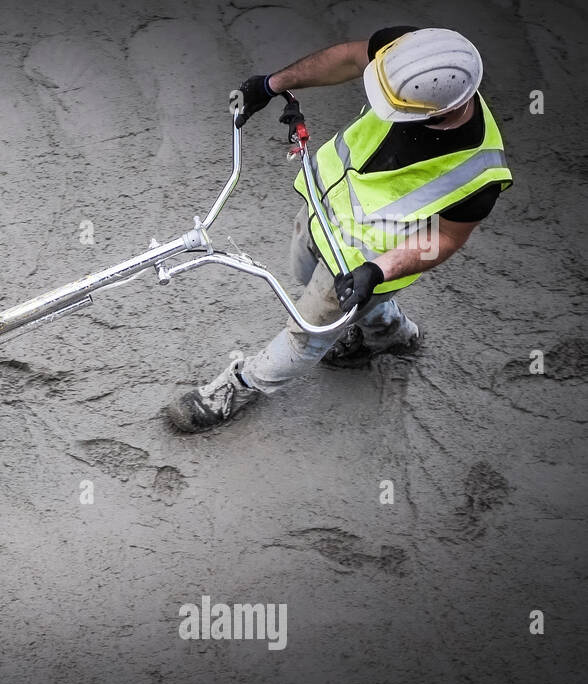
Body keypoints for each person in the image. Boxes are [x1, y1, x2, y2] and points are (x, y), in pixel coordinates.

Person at [166, 26, 513, 433]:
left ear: (435, 111)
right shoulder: (411, 58)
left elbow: (447, 238)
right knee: (299, 270)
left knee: (308, 332)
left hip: (361, 259)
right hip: (322, 204)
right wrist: (272, 84)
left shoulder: (478, 174)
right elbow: (349, 57)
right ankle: (390, 332)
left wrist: (378, 273)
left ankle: (236, 389)